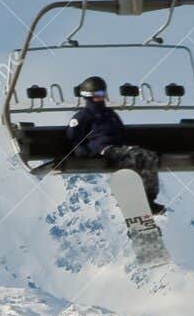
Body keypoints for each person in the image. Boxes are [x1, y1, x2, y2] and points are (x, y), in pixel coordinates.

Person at [66, 76, 165, 214]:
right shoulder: (83, 116)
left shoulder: (110, 114)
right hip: (103, 150)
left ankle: (148, 199)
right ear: (89, 96)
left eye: (103, 94)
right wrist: (82, 152)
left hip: (118, 148)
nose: (102, 98)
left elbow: (121, 133)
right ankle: (132, 198)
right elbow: (73, 136)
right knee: (134, 157)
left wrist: (129, 145)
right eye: (98, 95)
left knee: (149, 156)